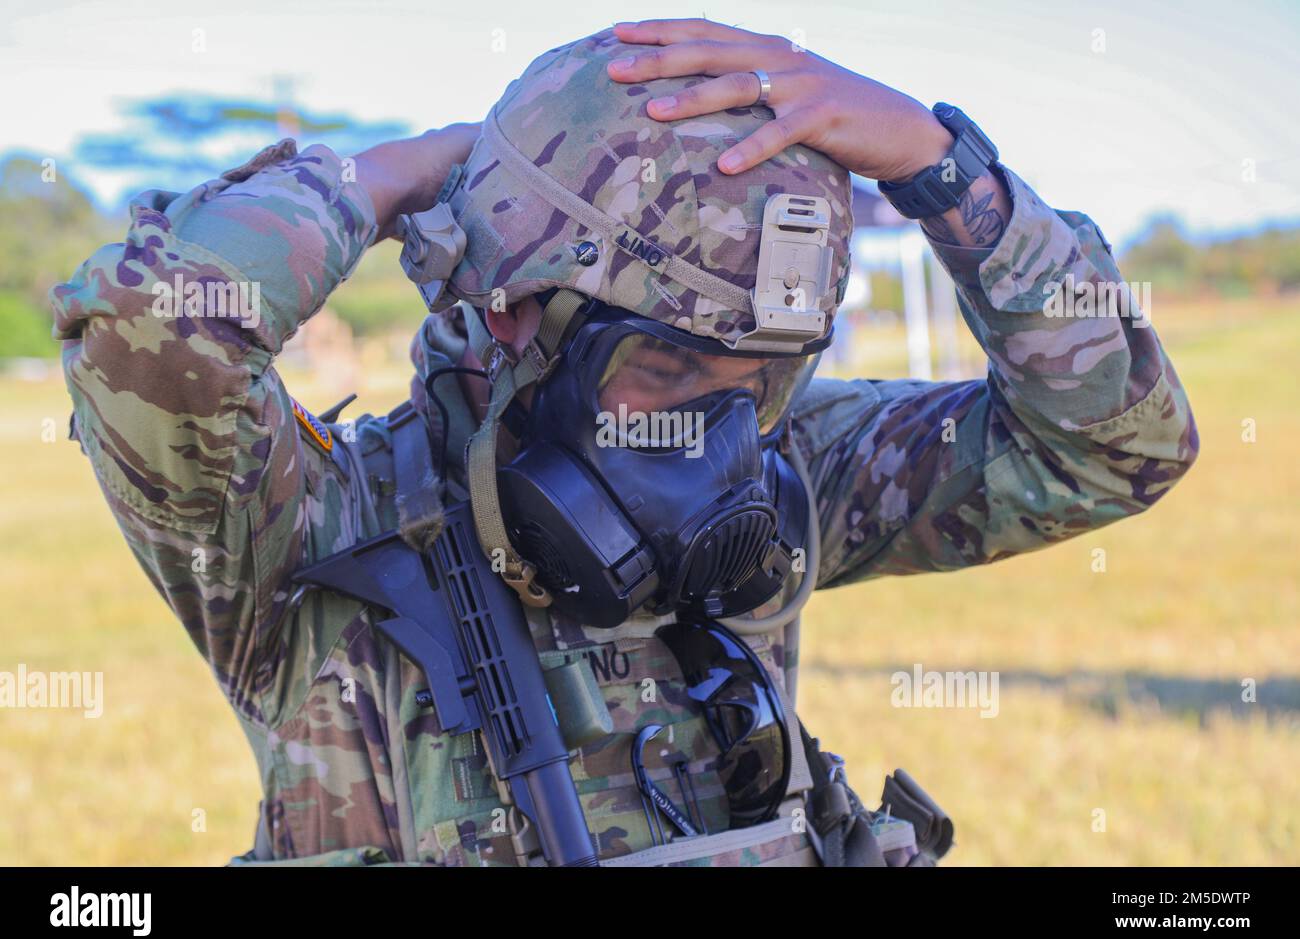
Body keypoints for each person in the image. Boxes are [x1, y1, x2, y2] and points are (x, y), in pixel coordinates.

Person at [50, 20, 1197, 866]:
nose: (710, 438)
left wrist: (949, 176)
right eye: (665, 367)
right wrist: (405, 173)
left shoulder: (781, 469)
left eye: (758, 377)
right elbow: (152, 338)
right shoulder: (303, 532)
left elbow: (1112, 442)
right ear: (512, 314)